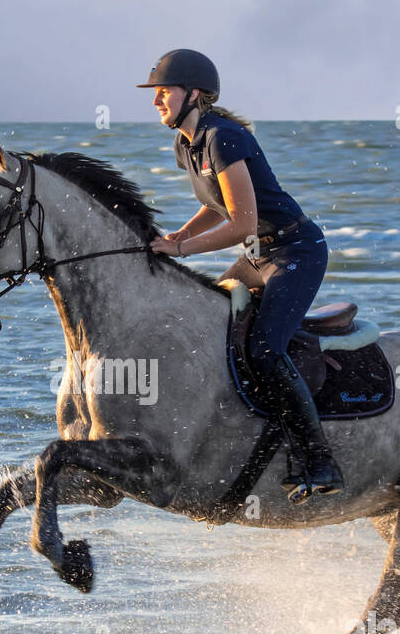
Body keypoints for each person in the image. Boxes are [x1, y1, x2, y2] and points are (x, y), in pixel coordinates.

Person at [137, 48, 343, 501]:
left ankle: (320, 461)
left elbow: (242, 222)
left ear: (194, 94)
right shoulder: (187, 143)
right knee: (213, 326)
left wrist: (182, 250)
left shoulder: (223, 136)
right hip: (258, 255)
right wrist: (177, 237)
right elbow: (216, 205)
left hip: (296, 252)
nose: (156, 100)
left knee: (266, 349)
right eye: (155, 93)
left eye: (164, 91)